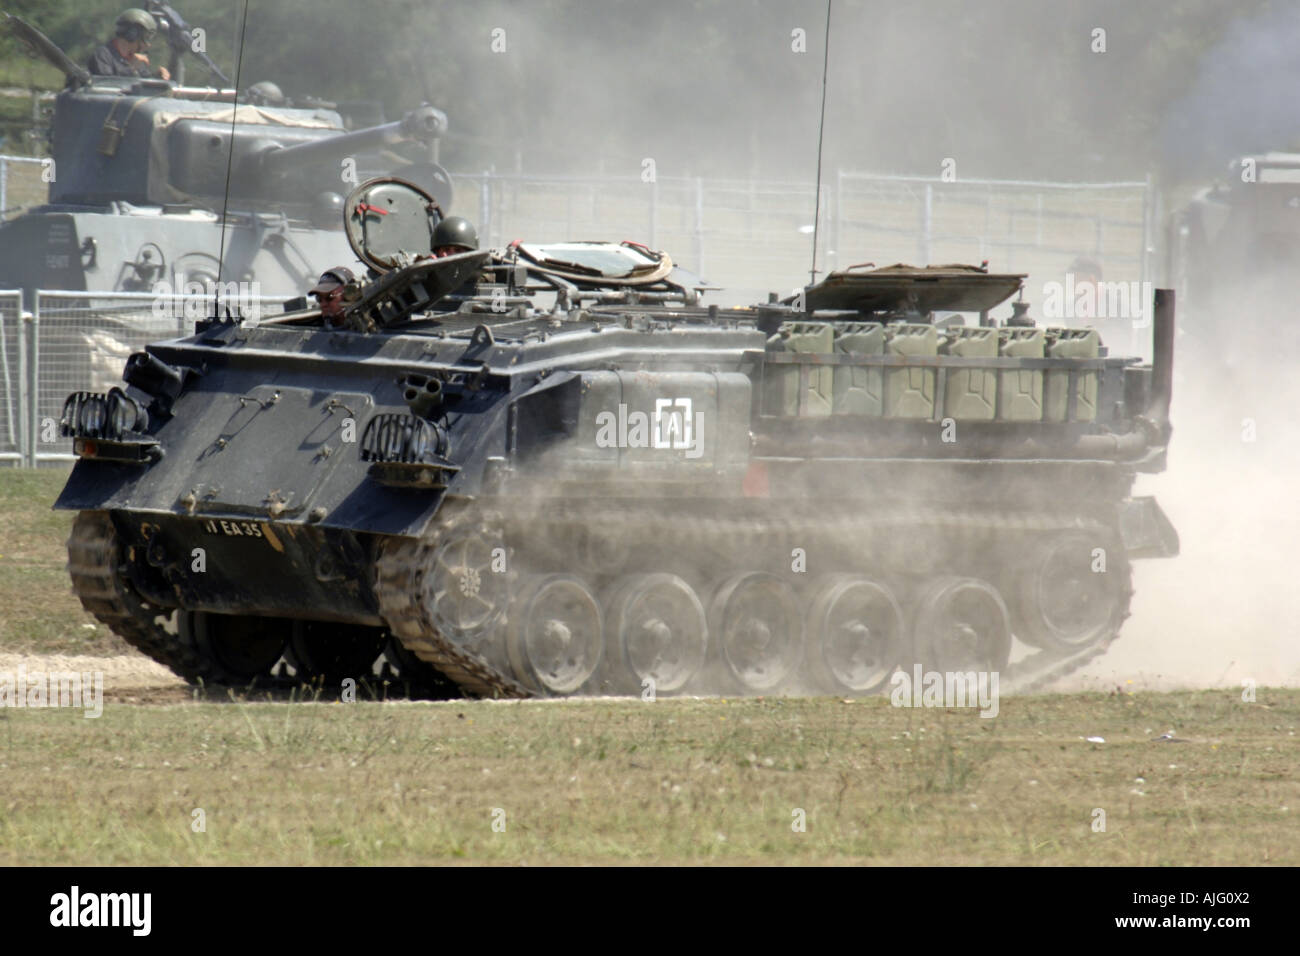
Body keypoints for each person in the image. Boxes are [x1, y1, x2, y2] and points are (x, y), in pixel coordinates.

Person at [87, 9, 171, 81]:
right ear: (132, 35)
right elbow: (106, 86)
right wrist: (132, 69)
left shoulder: (137, 61)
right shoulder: (103, 56)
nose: (148, 45)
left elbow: (144, 86)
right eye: (146, 38)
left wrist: (157, 78)